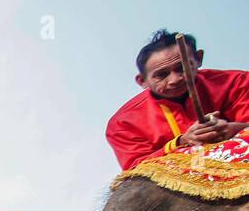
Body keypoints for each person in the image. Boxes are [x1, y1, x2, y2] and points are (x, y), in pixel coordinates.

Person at [106, 30, 249, 170]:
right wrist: (181, 142)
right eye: (162, 75)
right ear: (142, 81)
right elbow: (136, 167)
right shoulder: (122, 124)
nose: (175, 80)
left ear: (198, 58)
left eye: (182, 68)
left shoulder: (237, 82)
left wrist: (231, 129)